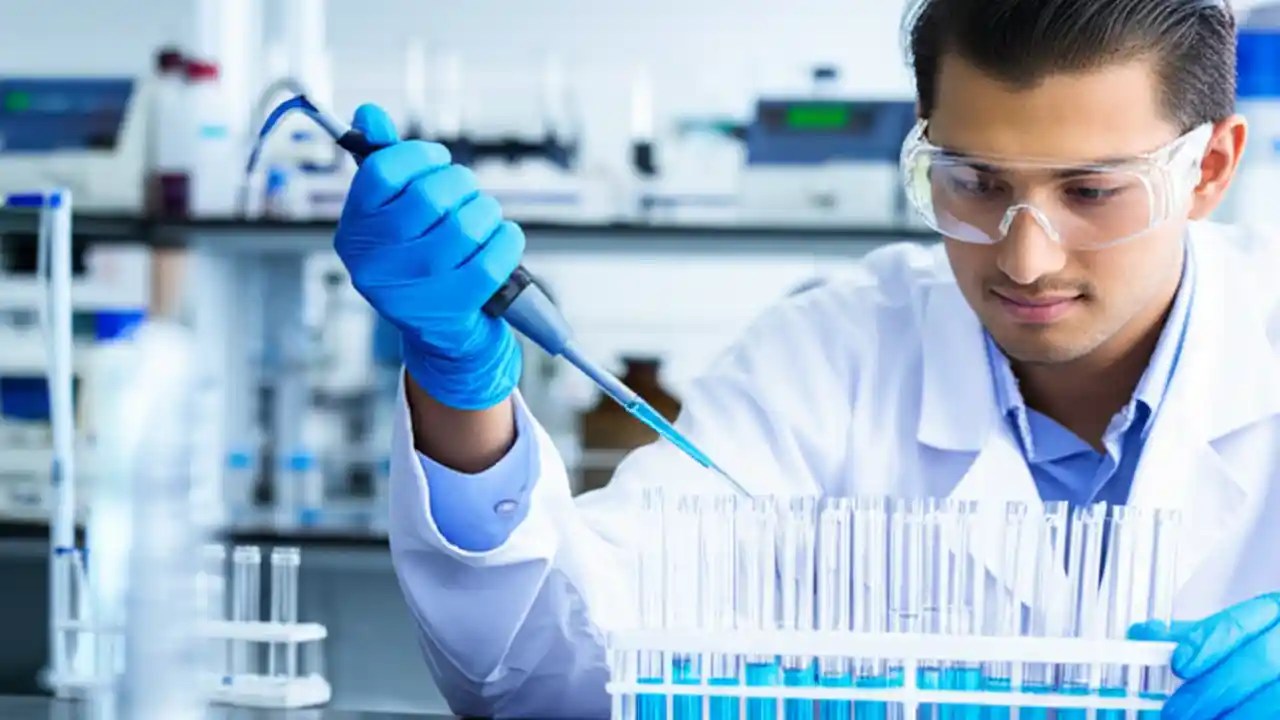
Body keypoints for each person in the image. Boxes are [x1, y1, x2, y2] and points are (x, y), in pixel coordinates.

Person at [334, 0, 1280, 716]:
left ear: (1208, 169)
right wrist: (461, 395)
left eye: (1093, 191)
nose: (1026, 258)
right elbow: (553, 677)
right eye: (974, 182)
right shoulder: (828, 358)